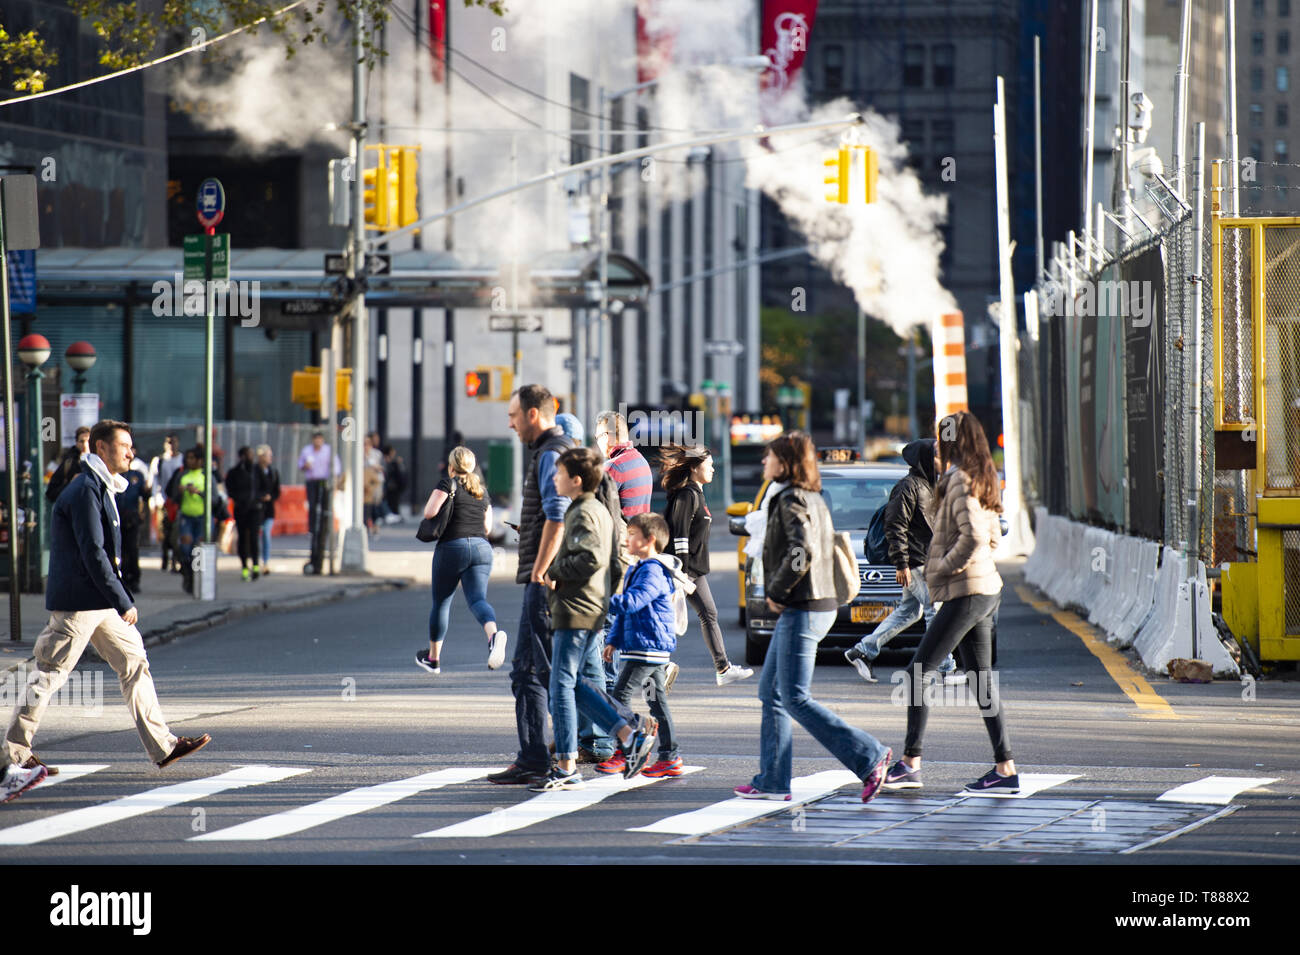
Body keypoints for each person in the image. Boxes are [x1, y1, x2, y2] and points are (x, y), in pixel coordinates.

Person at [2, 419, 211, 803]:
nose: (132, 452)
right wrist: (124, 599)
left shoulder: (100, 486)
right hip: (82, 602)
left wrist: (115, 598)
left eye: (131, 446)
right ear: (100, 448)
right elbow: (94, 554)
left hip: (98, 601)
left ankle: (163, 746)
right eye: (124, 445)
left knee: (134, 661)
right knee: (49, 674)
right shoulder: (84, 490)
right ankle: (13, 758)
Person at [735, 431, 892, 804]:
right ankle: (772, 780)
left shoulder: (790, 499)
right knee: (771, 692)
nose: (763, 463)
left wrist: (775, 591)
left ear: (785, 462)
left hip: (804, 606)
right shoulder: (812, 495)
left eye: (769, 457)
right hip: (816, 603)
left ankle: (869, 755)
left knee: (795, 698)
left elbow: (801, 551)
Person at [882, 411, 1018, 794]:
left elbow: (974, 538)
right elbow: (992, 539)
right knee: (981, 681)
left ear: (949, 444)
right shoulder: (980, 478)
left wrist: (941, 566)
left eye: (939, 439)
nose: (934, 446)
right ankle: (1005, 768)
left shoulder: (958, 480)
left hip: (967, 591)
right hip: (985, 587)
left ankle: (911, 763)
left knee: (916, 675)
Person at [534, 446, 659, 791]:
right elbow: (616, 565)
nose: (553, 478)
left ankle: (566, 765)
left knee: (561, 684)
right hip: (593, 607)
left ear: (575, 480)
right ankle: (627, 731)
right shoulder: (602, 511)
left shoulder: (583, 512)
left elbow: (588, 559)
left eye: (558, 473)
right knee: (577, 682)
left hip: (576, 608)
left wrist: (553, 569)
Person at [488, 385, 576, 786]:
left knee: (545, 670)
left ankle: (628, 725)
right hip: (545, 577)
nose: (510, 423)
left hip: (545, 579)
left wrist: (540, 568)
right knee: (528, 669)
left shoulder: (550, 454)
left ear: (534, 415)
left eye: (514, 415)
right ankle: (533, 758)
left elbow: (557, 515)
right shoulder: (555, 450)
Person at [845, 439, 961, 684]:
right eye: (939, 456)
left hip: (926, 558)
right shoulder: (907, 487)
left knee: (910, 611)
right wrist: (901, 564)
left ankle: (863, 651)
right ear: (925, 459)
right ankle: (946, 668)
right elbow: (895, 526)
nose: (944, 460)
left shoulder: (931, 485)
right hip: (915, 560)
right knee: (935, 610)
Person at [597, 512, 693, 778]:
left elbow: (632, 602)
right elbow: (627, 610)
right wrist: (614, 640)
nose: (627, 539)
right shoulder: (638, 567)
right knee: (656, 702)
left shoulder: (652, 570)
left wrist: (598, 598)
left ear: (649, 540)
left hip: (646, 649)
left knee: (617, 698)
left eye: (632, 535)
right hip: (648, 649)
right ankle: (670, 757)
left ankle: (626, 748)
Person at [662, 444, 752, 686]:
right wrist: (681, 574)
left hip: (694, 571)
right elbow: (679, 535)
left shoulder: (697, 494)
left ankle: (722, 669)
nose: (713, 469)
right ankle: (659, 666)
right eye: (709, 465)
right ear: (693, 468)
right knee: (667, 617)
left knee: (708, 614)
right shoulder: (686, 495)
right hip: (683, 570)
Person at [414, 446, 506, 674]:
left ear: (451, 466)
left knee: (442, 602)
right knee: (477, 600)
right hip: (482, 548)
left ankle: (433, 659)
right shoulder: (482, 491)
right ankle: (493, 636)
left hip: (452, 547)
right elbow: (487, 527)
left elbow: (429, 512)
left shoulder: (447, 484)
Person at [594, 410, 653, 517]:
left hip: (622, 533)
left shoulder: (613, 466)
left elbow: (598, 510)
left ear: (605, 437)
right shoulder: (642, 461)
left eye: (597, 437)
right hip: (640, 531)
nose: (597, 443)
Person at [298, 432, 340, 574]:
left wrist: (333, 482)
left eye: (320, 439)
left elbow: (337, 468)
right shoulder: (307, 451)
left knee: (323, 514)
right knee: (313, 512)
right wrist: (306, 465)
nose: (318, 442)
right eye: (315, 439)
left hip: (324, 483)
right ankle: (313, 526)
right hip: (312, 482)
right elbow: (300, 465)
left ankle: (323, 524)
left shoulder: (328, 451)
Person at [224, 446, 266, 581]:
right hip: (241, 510)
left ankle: (255, 566)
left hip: (255, 509)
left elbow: (265, 486)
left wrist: (259, 498)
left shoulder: (256, 470)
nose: (250, 457)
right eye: (248, 454)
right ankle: (244, 568)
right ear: (241, 456)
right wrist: (239, 499)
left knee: (254, 537)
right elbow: (230, 489)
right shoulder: (234, 472)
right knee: (242, 539)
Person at [173, 448, 206, 595]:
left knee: (198, 550)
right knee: (185, 549)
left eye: (193, 458)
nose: (190, 461)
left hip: (201, 518)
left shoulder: (206, 475)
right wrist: (180, 490)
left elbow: (215, 498)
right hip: (186, 516)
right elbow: (172, 493)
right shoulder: (183, 475)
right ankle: (187, 573)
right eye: (189, 458)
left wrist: (199, 492)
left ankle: (196, 581)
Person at [114, 452, 149, 592]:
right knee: (119, 550)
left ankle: (134, 578)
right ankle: (121, 579)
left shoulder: (137, 476)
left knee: (132, 549)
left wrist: (143, 511)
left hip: (132, 517)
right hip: (116, 517)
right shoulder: (113, 475)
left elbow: (144, 496)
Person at [45, 426, 90, 503]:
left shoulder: (100, 461)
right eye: (81, 441)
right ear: (76, 443)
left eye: (88, 441)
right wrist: (71, 483)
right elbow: (51, 493)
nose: (85, 445)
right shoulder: (68, 462)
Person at [255, 445, 281, 575]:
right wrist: (260, 496)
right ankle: (254, 561)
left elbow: (277, 491)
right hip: (255, 509)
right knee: (253, 536)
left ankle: (265, 561)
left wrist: (270, 497)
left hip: (269, 510)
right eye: (267, 455)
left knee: (266, 533)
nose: (270, 458)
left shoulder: (274, 472)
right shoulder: (253, 471)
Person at [381, 444, 407, 523]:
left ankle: (393, 514)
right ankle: (390, 514)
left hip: (394, 486)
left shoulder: (394, 462)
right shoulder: (386, 462)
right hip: (390, 486)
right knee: (390, 501)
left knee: (394, 502)